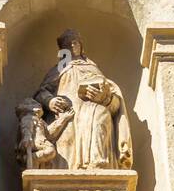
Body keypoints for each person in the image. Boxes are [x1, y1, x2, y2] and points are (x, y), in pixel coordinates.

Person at [34, 29, 133, 170]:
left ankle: (97, 166)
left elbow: (114, 100)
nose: (73, 45)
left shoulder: (92, 68)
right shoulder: (59, 69)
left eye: (75, 42)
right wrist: (50, 101)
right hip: (67, 117)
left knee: (100, 119)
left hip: (90, 114)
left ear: (81, 46)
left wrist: (105, 98)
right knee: (66, 146)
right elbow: (40, 93)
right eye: (68, 44)